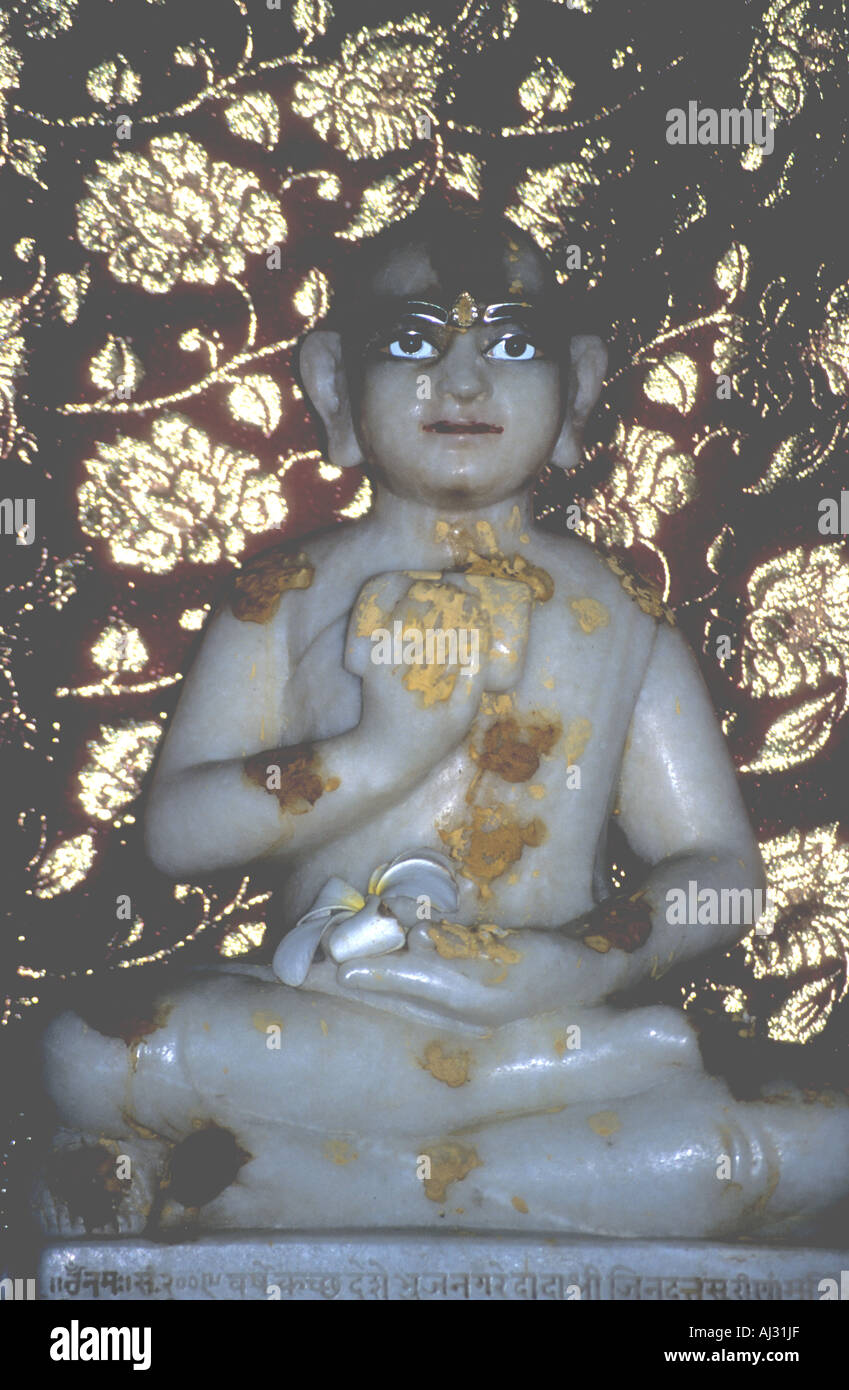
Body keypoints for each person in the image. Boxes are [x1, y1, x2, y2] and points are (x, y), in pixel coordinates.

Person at [39, 204, 849, 1238]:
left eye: (512, 345)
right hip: (335, 1025)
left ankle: (323, 1185)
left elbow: (717, 872)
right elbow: (178, 834)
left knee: (834, 1137)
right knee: (89, 1049)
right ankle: (516, 1130)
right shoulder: (287, 593)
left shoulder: (611, 612)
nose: (462, 386)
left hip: (547, 1010)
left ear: (581, 387)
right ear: (335, 384)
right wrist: (378, 753)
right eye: (415, 343)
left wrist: (587, 959)